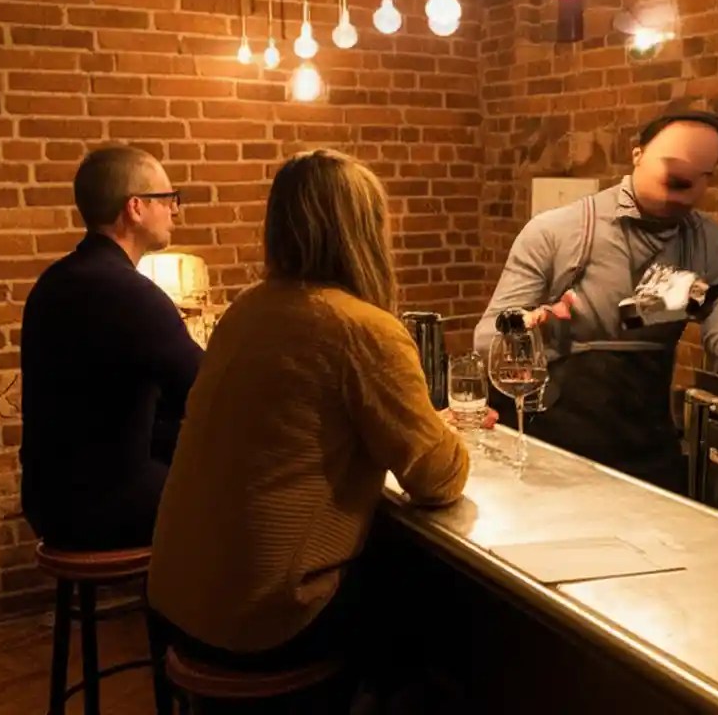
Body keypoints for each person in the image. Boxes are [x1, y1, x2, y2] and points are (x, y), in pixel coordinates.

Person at [148, 150, 483, 700]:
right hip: (264, 618)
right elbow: (437, 477)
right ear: (365, 231)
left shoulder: (246, 309)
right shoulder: (362, 329)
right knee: (445, 610)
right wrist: (441, 429)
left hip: (179, 598)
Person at [474, 110, 718, 494]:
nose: (681, 182)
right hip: (548, 448)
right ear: (637, 154)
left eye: (698, 175)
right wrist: (530, 331)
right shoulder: (558, 231)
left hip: (647, 451)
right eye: (672, 166)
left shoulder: (708, 245)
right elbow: (486, 340)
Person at [19, 145, 202, 551]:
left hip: (48, 500)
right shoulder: (131, 294)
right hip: (106, 506)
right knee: (238, 484)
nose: (175, 209)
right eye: (167, 198)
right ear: (135, 207)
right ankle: (196, 594)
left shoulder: (54, 281)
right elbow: (206, 390)